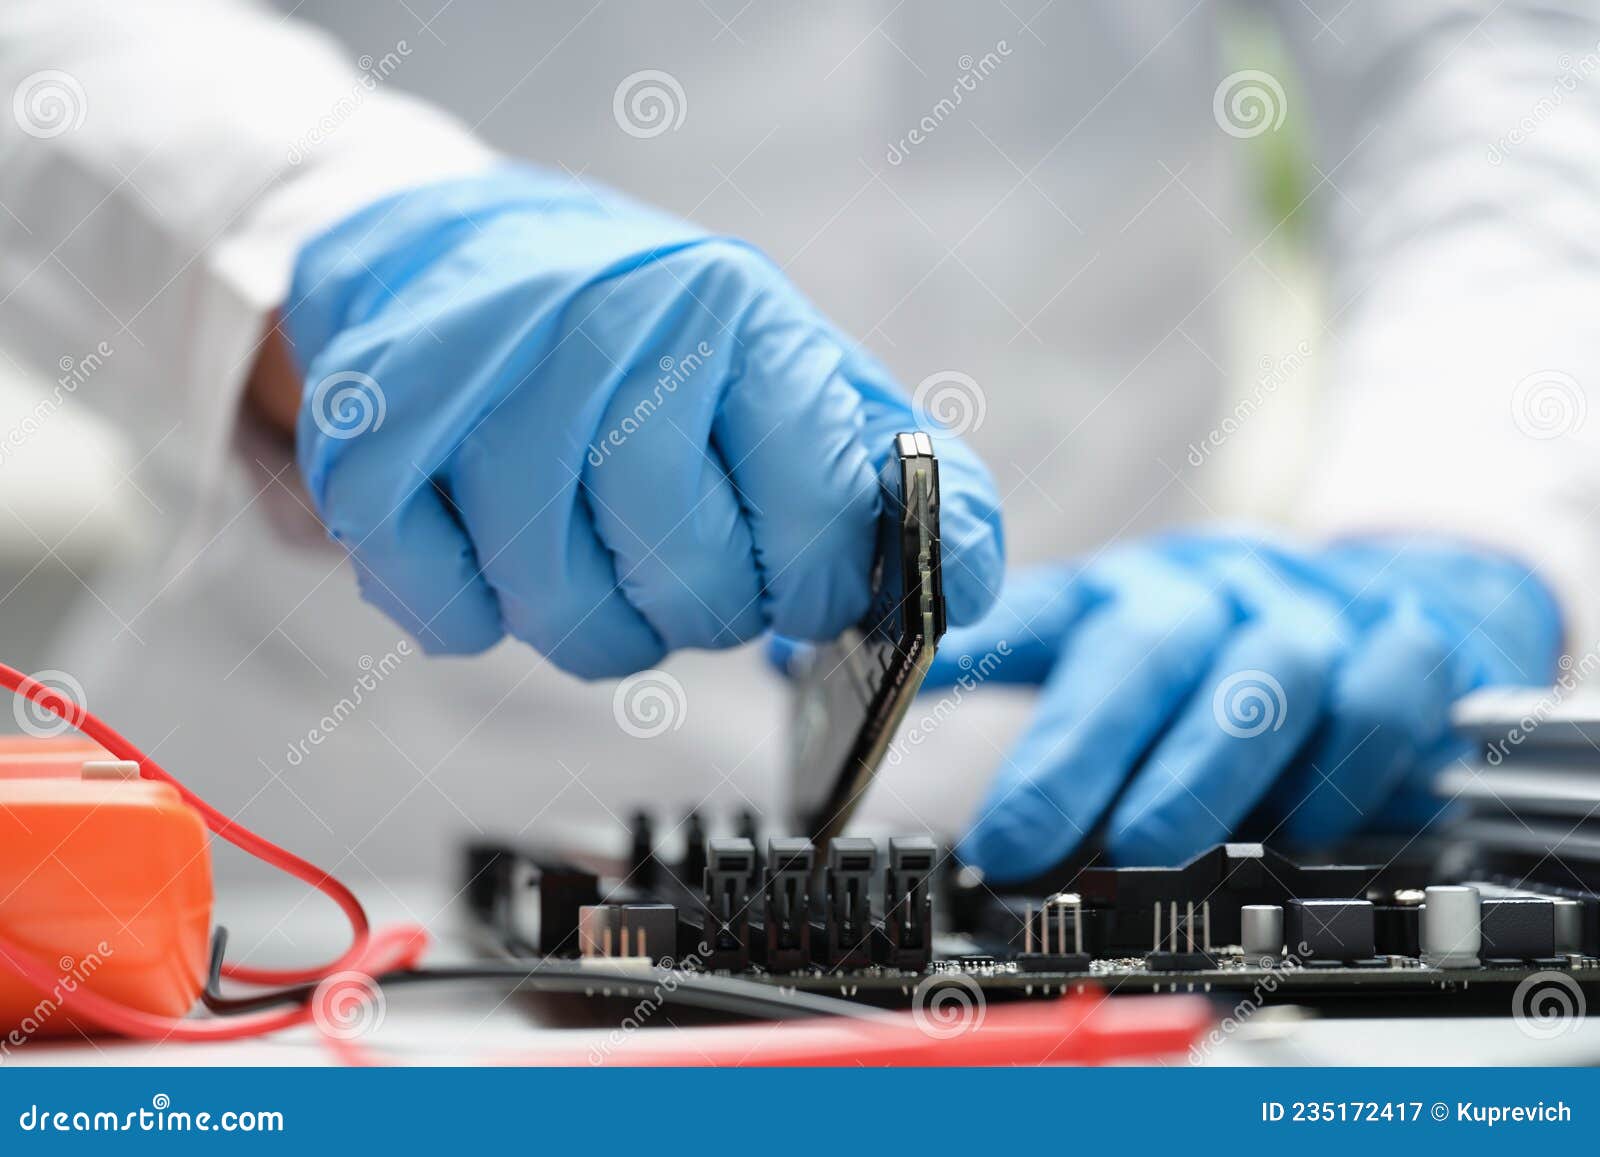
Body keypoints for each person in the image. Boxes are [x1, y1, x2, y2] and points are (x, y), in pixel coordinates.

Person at [0, 1, 1590, 901]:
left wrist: (1456, 511)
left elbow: (1501, 52)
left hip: (1107, 831)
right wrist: (313, 225)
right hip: (309, 854)